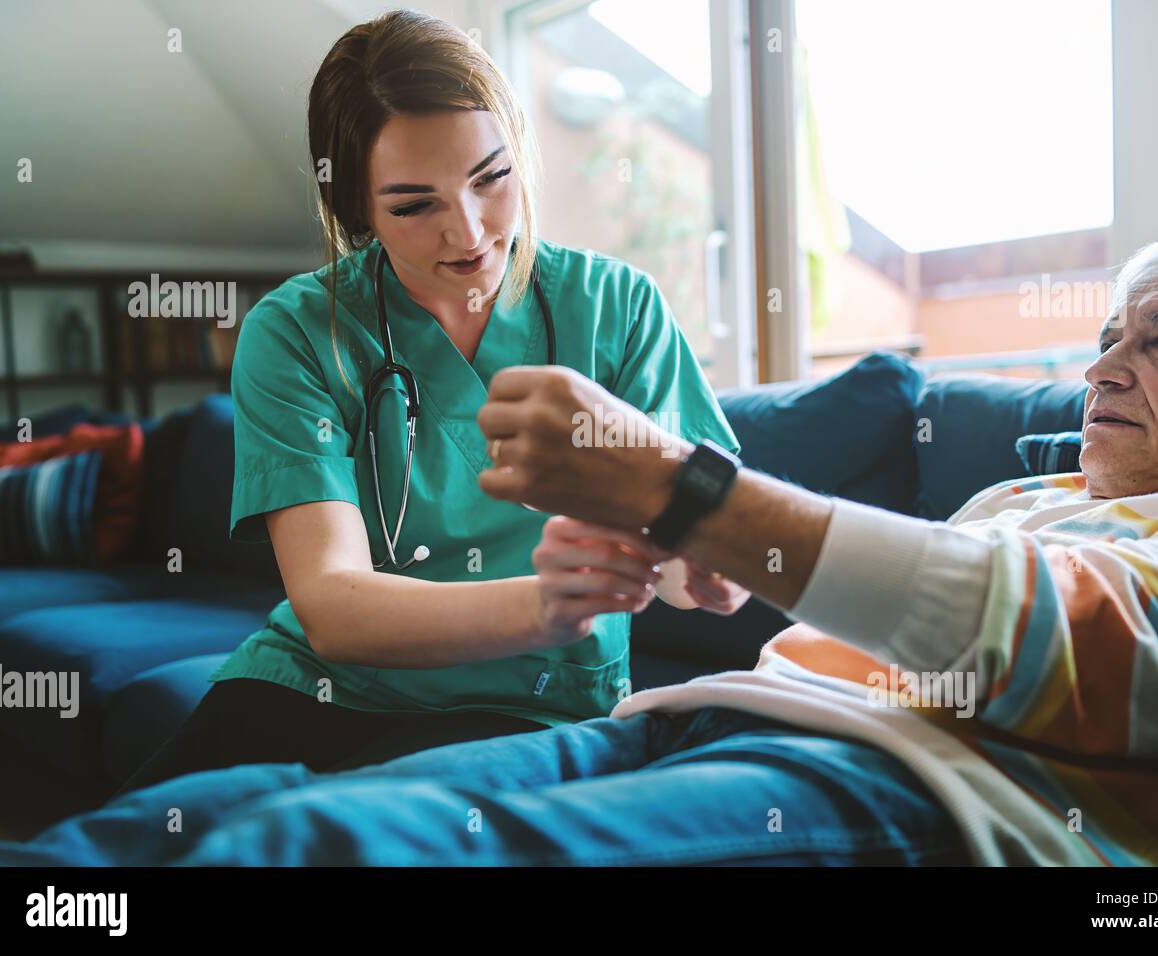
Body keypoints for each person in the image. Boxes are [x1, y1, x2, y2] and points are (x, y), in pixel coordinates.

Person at [0, 232, 1158, 867]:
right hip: (712, 717)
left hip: (920, 799)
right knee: (174, 828)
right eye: (1106, 332)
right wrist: (690, 565)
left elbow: (1028, 630)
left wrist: (678, 486)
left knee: (325, 851)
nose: (1105, 364)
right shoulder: (1024, 500)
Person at [112, 9, 746, 796]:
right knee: (138, 846)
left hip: (535, 706)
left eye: (493, 178)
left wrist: (709, 563)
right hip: (318, 685)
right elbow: (332, 607)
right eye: (416, 206)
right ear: (355, 212)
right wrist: (543, 604)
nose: (471, 233)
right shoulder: (297, 331)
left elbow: (693, 552)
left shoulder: (619, 310)